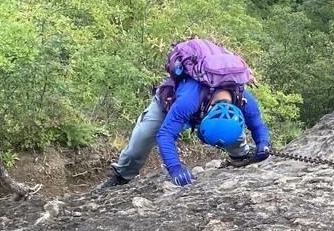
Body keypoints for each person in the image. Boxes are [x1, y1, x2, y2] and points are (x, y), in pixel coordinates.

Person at [99, 47, 272, 190]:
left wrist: (263, 143)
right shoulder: (188, 101)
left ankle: (240, 155)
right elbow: (165, 134)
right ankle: (121, 175)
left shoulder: (245, 101)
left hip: (209, 108)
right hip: (168, 104)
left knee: (228, 128)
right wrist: (175, 169)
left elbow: (257, 125)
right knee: (143, 138)